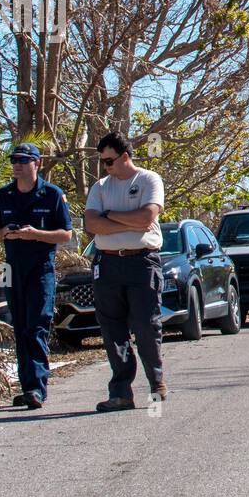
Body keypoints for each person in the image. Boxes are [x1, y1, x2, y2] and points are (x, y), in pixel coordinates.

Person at [0, 143, 73, 410]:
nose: (17, 164)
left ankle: (36, 387)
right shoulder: (3, 196)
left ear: (37, 163)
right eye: (14, 160)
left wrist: (36, 234)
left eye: (23, 160)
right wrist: (6, 232)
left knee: (37, 325)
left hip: (41, 268)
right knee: (20, 328)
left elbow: (66, 235)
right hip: (11, 269)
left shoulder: (52, 194)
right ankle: (28, 387)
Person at [84, 131, 167, 412]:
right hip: (106, 264)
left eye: (109, 161)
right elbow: (92, 225)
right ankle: (120, 393)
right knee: (112, 330)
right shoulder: (100, 187)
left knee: (146, 325)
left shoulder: (148, 179)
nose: (105, 167)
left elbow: (147, 218)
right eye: (102, 162)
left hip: (142, 262)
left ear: (125, 156)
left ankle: (156, 383)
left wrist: (110, 216)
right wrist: (124, 221)